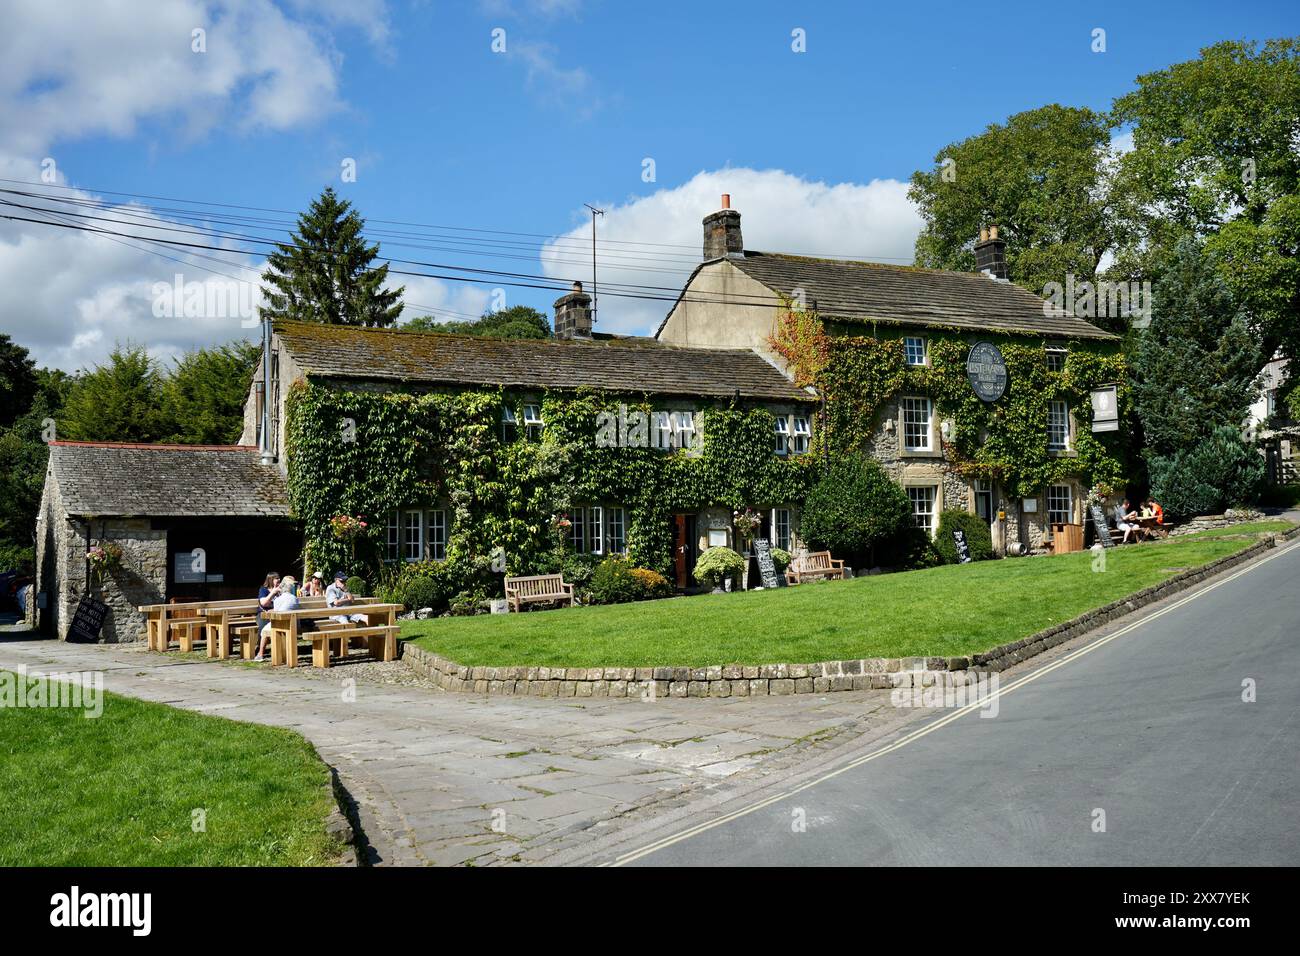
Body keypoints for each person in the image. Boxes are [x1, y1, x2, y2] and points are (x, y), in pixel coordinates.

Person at [255, 575, 300, 662]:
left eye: (279, 579)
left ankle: (261, 654)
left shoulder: (279, 596)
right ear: (270, 580)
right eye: (276, 578)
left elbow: (277, 610)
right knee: (263, 625)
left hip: (279, 621)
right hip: (292, 623)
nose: (278, 580)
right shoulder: (264, 590)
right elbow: (263, 603)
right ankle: (263, 651)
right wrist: (273, 593)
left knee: (266, 630)